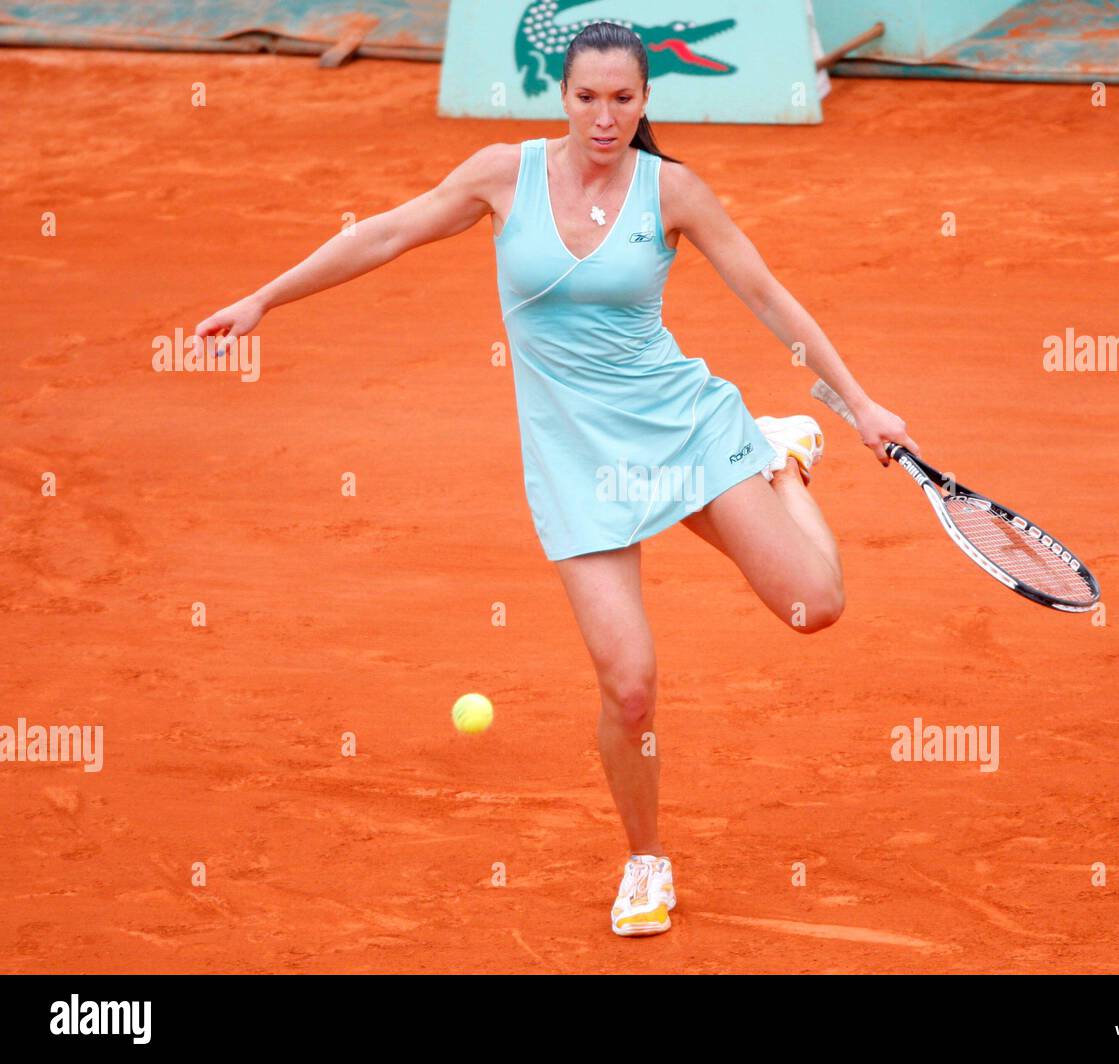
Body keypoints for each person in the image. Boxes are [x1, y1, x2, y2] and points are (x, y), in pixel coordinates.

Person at [197, 21, 917, 938]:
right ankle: (646, 861)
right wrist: (264, 296)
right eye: (588, 98)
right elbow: (385, 235)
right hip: (578, 464)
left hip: (681, 428)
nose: (605, 117)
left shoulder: (676, 193)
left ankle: (779, 460)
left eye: (623, 99)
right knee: (631, 688)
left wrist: (860, 406)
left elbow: (769, 296)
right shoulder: (504, 176)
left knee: (816, 606)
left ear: (646, 99)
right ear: (563, 95)